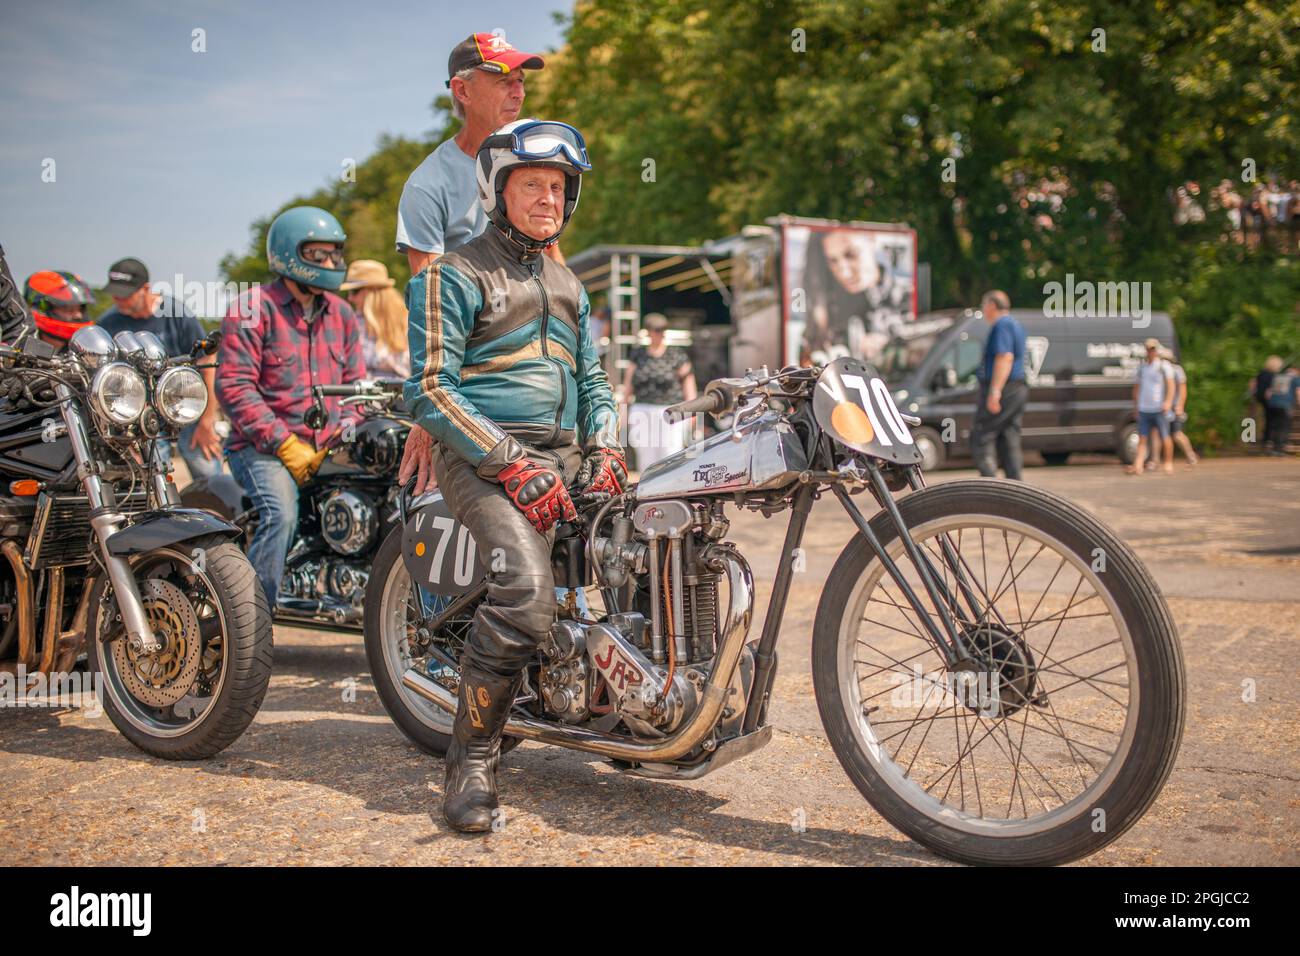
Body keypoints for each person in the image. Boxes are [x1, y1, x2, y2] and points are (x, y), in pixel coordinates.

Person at [404, 119, 621, 833]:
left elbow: (593, 381)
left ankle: (625, 703)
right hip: (482, 463)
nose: (549, 198)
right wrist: (511, 461)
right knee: (527, 594)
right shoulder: (452, 273)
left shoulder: (568, 283)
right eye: (533, 184)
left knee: (645, 549)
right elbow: (430, 391)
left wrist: (607, 449)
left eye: (559, 187)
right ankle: (470, 760)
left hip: (561, 459)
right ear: (499, 190)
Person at [396, 31, 560, 495]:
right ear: (462, 91)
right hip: (473, 388)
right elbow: (427, 312)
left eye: (521, 79)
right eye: (503, 77)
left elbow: (556, 281)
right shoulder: (428, 185)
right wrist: (432, 417)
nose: (519, 90)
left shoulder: (535, 169)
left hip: (537, 379)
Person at [216, 207, 367, 606]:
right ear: (290, 253)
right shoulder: (253, 308)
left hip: (327, 446)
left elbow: (355, 388)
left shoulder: (343, 314)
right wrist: (285, 444)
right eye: (321, 255)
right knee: (279, 514)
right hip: (261, 450)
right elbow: (234, 388)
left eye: (336, 254)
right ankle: (251, 623)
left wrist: (345, 431)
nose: (333, 263)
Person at [96, 257, 222, 479]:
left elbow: (206, 364)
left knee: (208, 469)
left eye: (125, 294)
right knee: (152, 477)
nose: (118, 299)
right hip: (140, 416)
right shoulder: (107, 324)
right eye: (115, 293)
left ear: (146, 289)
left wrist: (207, 421)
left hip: (183, 405)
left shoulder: (176, 314)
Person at [620, 313, 697, 470]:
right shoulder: (638, 354)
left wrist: (693, 412)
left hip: (670, 411)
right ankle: (648, 492)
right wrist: (623, 412)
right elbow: (628, 386)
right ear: (648, 331)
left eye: (663, 330)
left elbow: (689, 386)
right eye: (656, 329)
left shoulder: (677, 355)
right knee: (646, 459)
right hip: (642, 410)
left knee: (670, 455)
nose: (660, 333)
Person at [970, 290, 1027, 480]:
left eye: (984, 305)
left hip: (1005, 388)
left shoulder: (1002, 325)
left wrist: (995, 391)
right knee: (1008, 436)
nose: (983, 310)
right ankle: (1016, 485)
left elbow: (1004, 357)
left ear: (992, 306)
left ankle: (989, 483)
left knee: (982, 434)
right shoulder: (1015, 324)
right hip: (1017, 388)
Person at [339, 259, 410, 378]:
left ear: (373, 291)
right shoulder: (353, 321)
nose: (350, 298)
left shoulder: (408, 322)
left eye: (354, 291)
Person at [1129, 338, 1174, 476]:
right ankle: (1138, 465)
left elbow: (1171, 386)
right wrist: (1136, 406)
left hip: (1159, 408)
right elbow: (1136, 388)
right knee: (1142, 438)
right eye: (1149, 349)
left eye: (1153, 349)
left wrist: (1167, 402)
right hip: (1144, 408)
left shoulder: (1163, 366)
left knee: (1165, 436)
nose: (1151, 351)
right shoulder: (1142, 368)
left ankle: (1168, 463)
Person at [21, 270, 94, 350]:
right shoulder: (19, 345)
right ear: (42, 309)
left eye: (80, 308)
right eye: (68, 308)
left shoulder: (85, 350)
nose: (78, 315)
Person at [1158, 346, 1198, 466]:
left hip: (1174, 407)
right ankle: (1156, 460)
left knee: (1177, 434)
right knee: (1160, 434)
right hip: (1163, 407)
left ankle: (1191, 456)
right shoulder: (1160, 371)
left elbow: (1183, 389)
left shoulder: (1177, 370)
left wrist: (1180, 405)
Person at [1262, 358, 1297, 455]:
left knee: (1275, 425)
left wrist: (1271, 402)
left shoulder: (1276, 377)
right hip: (1285, 405)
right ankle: (1279, 448)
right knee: (1284, 426)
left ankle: (1272, 448)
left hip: (1273, 404)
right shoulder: (1295, 378)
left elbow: (1267, 393)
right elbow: (1298, 392)